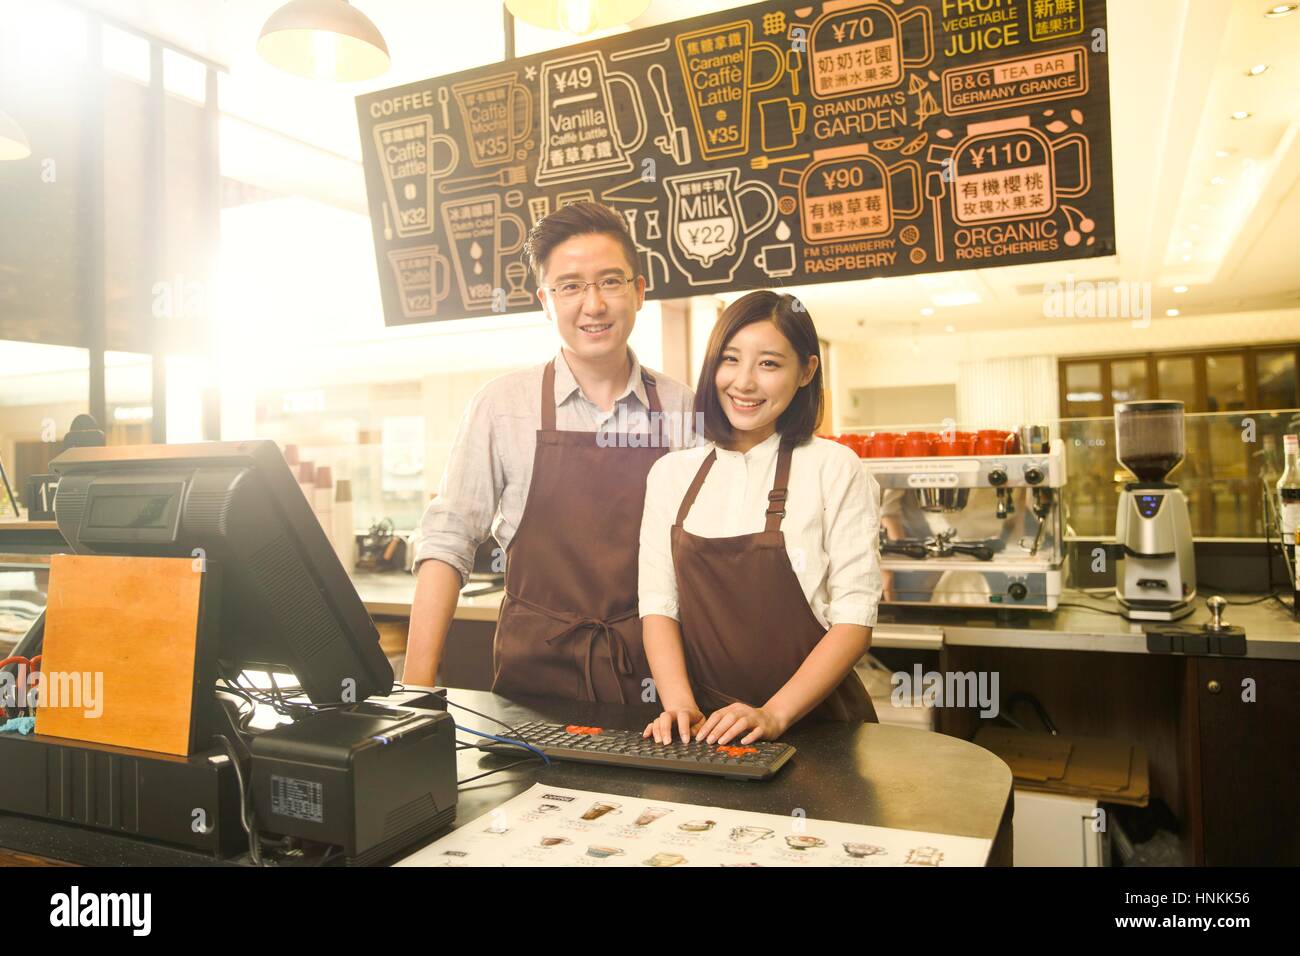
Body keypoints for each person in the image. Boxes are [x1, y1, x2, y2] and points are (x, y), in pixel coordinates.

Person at [404, 202, 696, 703]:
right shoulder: (501, 406)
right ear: (545, 300)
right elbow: (448, 540)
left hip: (658, 686)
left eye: (610, 281)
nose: (593, 304)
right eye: (570, 286)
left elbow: (704, 555)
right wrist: (412, 690)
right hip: (533, 677)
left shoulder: (682, 406)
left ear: (639, 291)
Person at [639, 290, 882, 746]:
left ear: (806, 371)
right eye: (730, 360)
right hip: (709, 732)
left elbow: (855, 620)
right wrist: (681, 708)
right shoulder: (671, 474)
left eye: (769, 363)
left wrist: (772, 715)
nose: (744, 382)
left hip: (821, 728)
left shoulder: (835, 466)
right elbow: (658, 605)